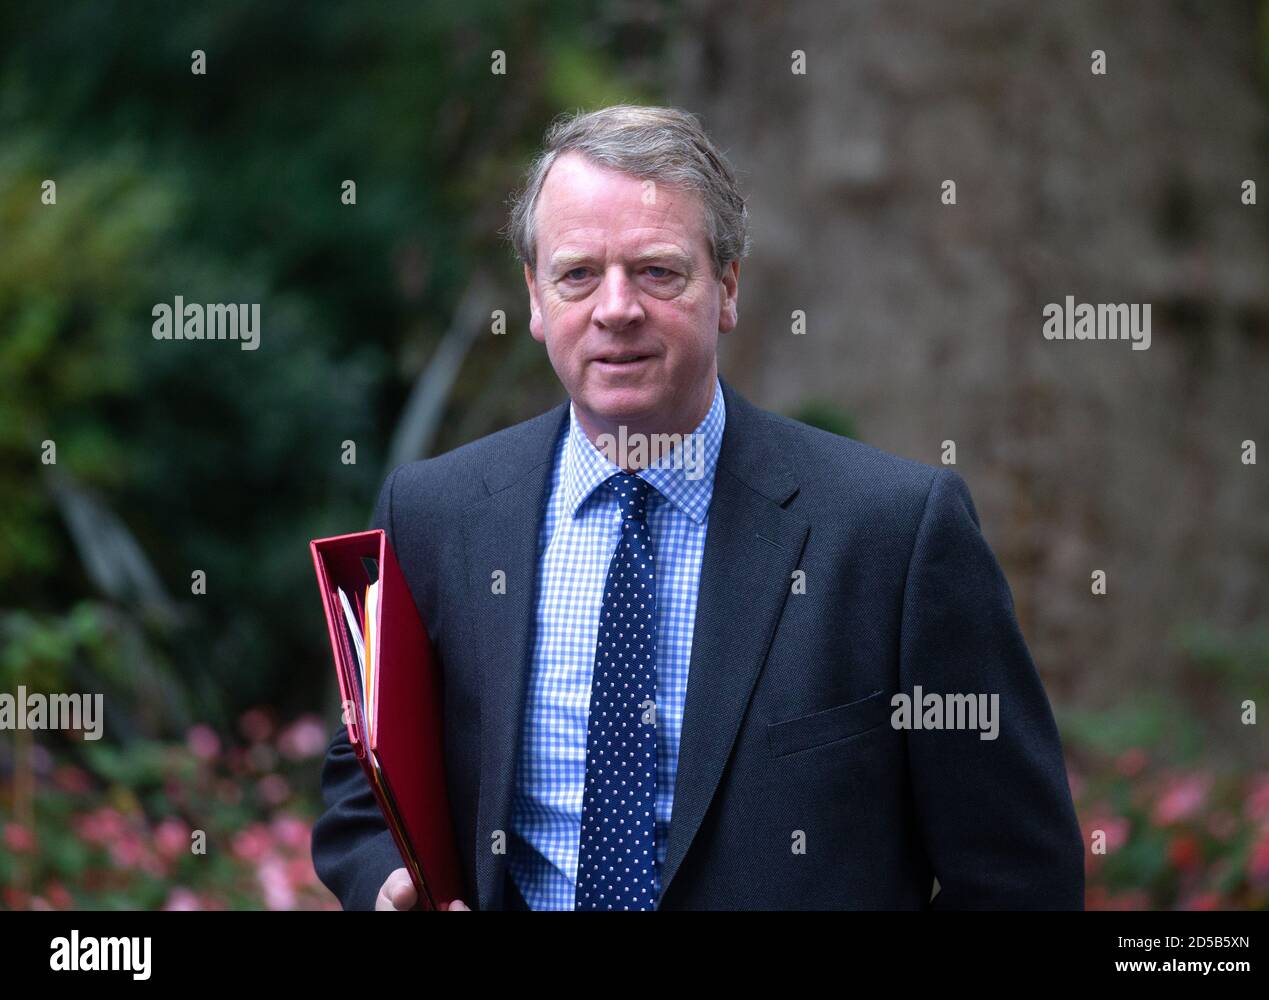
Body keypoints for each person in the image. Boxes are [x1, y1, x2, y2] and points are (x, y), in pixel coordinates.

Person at [311, 104, 1084, 911]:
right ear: (536, 301)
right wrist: (392, 886)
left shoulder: (894, 533)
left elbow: (1016, 874)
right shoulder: (440, 514)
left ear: (728, 288)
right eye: (578, 274)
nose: (617, 308)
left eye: (657, 271)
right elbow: (366, 779)